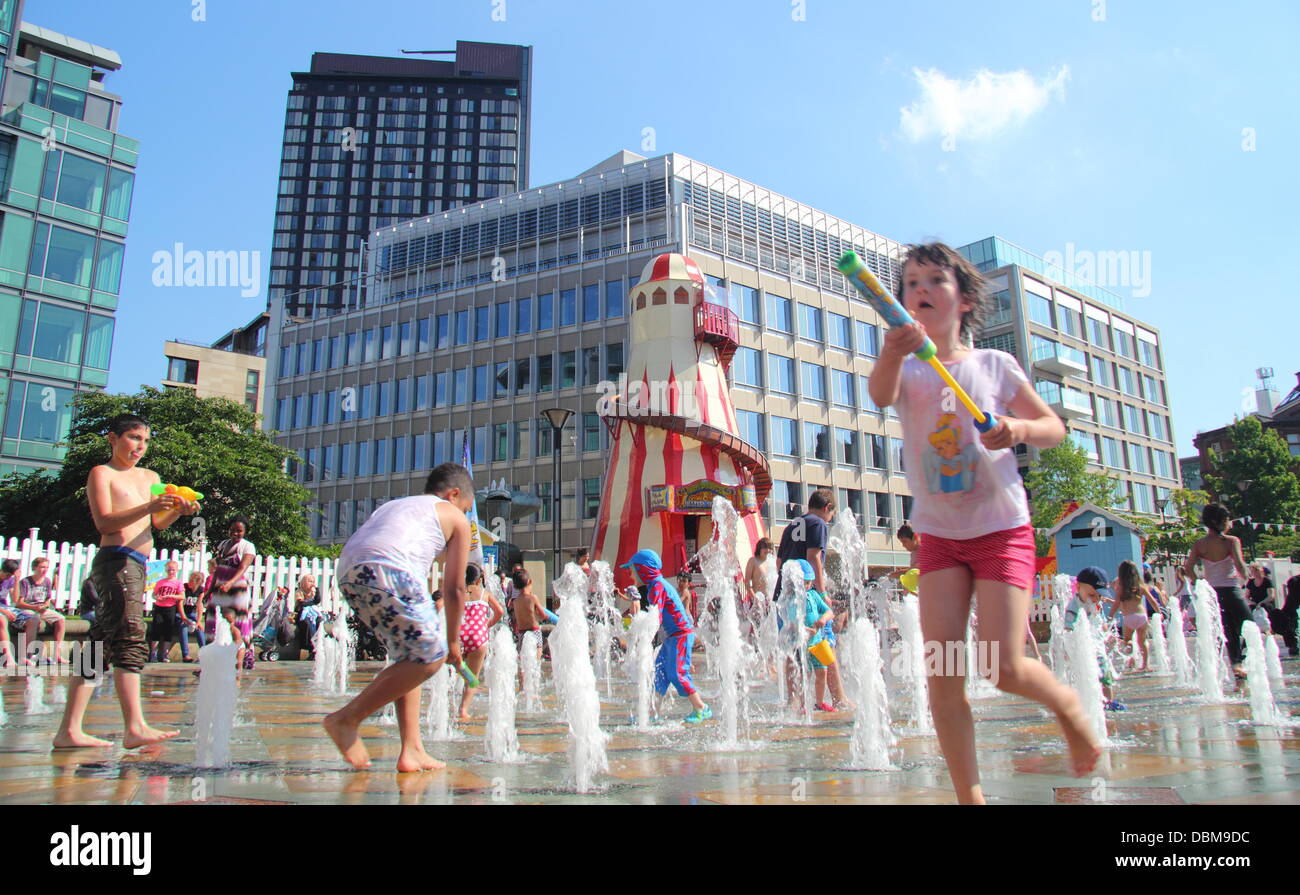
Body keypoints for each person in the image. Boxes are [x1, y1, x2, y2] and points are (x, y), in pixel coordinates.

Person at [867, 241, 1100, 803]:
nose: (920, 290)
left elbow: (1053, 427)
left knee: (1002, 666)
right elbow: (880, 394)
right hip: (940, 537)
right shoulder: (905, 367)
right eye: (911, 283)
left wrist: (1015, 431)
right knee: (941, 677)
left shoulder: (994, 366)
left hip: (1000, 528)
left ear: (964, 299)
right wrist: (894, 352)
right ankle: (970, 799)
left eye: (934, 281)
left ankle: (1067, 704)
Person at [54, 414, 197, 749]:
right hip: (117, 560)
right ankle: (135, 726)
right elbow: (105, 522)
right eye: (133, 438)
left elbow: (158, 523)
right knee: (132, 635)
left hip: (138, 562)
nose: (139, 447)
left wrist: (179, 510)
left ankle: (69, 730)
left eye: (145, 441)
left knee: (99, 644)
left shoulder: (150, 476)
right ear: (112, 439)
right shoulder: (101, 473)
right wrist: (149, 505)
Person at [323, 462, 474, 772]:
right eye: (467, 508)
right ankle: (346, 718)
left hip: (350, 571)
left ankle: (412, 749)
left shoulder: (397, 505)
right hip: (390, 569)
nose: (467, 515)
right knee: (431, 657)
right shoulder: (454, 516)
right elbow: (455, 588)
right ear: (454, 494)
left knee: (411, 658)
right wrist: (453, 642)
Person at [620, 548, 711, 724]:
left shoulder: (657, 586)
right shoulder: (655, 585)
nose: (631, 574)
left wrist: (642, 638)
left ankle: (701, 707)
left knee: (676, 673)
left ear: (643, 569)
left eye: (633, 569)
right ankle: (653, 712)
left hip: (681, 634)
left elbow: (656, 618)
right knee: (660, 673)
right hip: (672, 636)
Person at [1183, 503, 1251, 680]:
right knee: (1250, 628)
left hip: (1213, 595)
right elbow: (1240, 565)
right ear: (1222, 521)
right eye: (1228, 520)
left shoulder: (1200, 544)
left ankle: (1237, 672)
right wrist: (1245, 576)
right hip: (1232, 591)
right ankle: (1240, 664)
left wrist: (1199, 583)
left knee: (1228, 632)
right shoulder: (1231, 541)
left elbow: (1188, 568)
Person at [1066, 567, 1124, 711]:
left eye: (1099, 595)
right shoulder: (1074, 607)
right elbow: (1067, 628)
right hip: (1082, 650)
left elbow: (1101, 623)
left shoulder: (1096, 604)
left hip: (1097, 649)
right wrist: (1066, 649)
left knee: (1105, 677)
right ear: (1078, 588)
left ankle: (1108, 702)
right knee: (1083, 678)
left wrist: (1110, 636)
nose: (1096, 599)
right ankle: (1083, 704)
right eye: (1092, 594)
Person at [206, 518, 257, 670]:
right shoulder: (223, 545)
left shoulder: (248, 546)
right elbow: (218, 567)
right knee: (214, 621)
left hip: (236, 590)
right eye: (233, 530)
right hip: (220, 588)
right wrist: (210, 588)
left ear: (245, 532)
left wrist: (230, 583)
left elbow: (242, 568)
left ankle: (240, 661)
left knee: (236, 623)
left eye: (239, 531)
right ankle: (211, 662)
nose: (235, 533)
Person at [456, 563, 504, 720]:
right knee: (473, 679)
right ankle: (463, 710)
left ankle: (450, 696)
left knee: (458, 670)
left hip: (460, 636)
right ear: (479, 580)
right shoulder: (485, 593)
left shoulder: (459, 593)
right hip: (478, 637)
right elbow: (500, 612)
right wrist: (488, 624)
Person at [774, 491, 835, 601]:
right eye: (832, 515)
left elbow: (779, 561)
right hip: (805, 595)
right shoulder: (818, 523)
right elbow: (813, 558)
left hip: (783, 594)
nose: (829, 519)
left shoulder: (791, 525)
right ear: (827, 507)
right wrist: (822, 593)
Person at [14, 557, 66, 663]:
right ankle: (27, 655)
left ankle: (57, 654)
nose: (45, 570)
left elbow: (48, 600)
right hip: (28, 608)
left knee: (60, 619)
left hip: (41, 608)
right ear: (35, 568)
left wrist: (44, 606)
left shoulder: (47, 581)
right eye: (42, 567)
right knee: (34, 619)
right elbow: (19, 603)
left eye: (47, 567)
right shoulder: (25, 582)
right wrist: (34, 608)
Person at [1112, 560, 1150, 671]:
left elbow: (1116, 603)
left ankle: (1131, 658)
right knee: (1142, 641)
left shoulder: (1121, 588)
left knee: (1127, 640)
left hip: (1129, 618)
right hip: (1142, 616)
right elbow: (1152, 601)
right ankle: (1145, 665)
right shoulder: (1140, 587)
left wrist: (1110, 616)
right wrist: (1159, 612)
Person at [148, 561, 184, 663]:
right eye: (169, 570)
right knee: (156, 630)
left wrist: (170, 596)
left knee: (168, 631)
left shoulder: (178, 583)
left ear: (176, 570)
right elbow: (154, 594)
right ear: (166, 570)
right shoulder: (161, 582)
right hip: (159, 607)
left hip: (170, 608)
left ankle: (165, 654)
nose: (171, 572)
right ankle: (153, 653)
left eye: (173, 570)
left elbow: (182, 596)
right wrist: (157, 597)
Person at [0, 559, 22, 669]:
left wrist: (16, 581)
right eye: (7, 575)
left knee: (33, 619)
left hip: (5, 607)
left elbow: (15, 599)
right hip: (2, 610)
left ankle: (25, 656)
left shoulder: (10, 580)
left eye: (11, 576)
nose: (8, 577)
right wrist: (4, 611)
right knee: (2, 620)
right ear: (2, 571)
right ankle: (8, 656)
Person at [179, 571, 205, 661]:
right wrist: (183, 617)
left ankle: (204, 653)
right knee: (183, 626)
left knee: (199, 628)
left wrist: (198, 621)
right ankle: (185, 654)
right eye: (189, 580)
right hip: (181, 613)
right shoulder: (184, 587)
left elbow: (200, 605)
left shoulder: (201, 590)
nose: (189, 583)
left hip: (192, 613)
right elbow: (180, 604)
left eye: (192, 582)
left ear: (197, 583)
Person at [1245, 563, 1276, 634]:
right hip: (1254, 604)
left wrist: (1261, 603)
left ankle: (1268, 629)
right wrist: (1252, 602)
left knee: (1265, 608)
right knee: (1248, 611)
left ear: (1260, 571)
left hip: (1266, 603)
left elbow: (1271, 596)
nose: (1254, 573)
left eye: (1255, 571)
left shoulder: (1267, 581)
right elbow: (1246, 596)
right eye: (1252, 571)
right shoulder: (1250, 582)